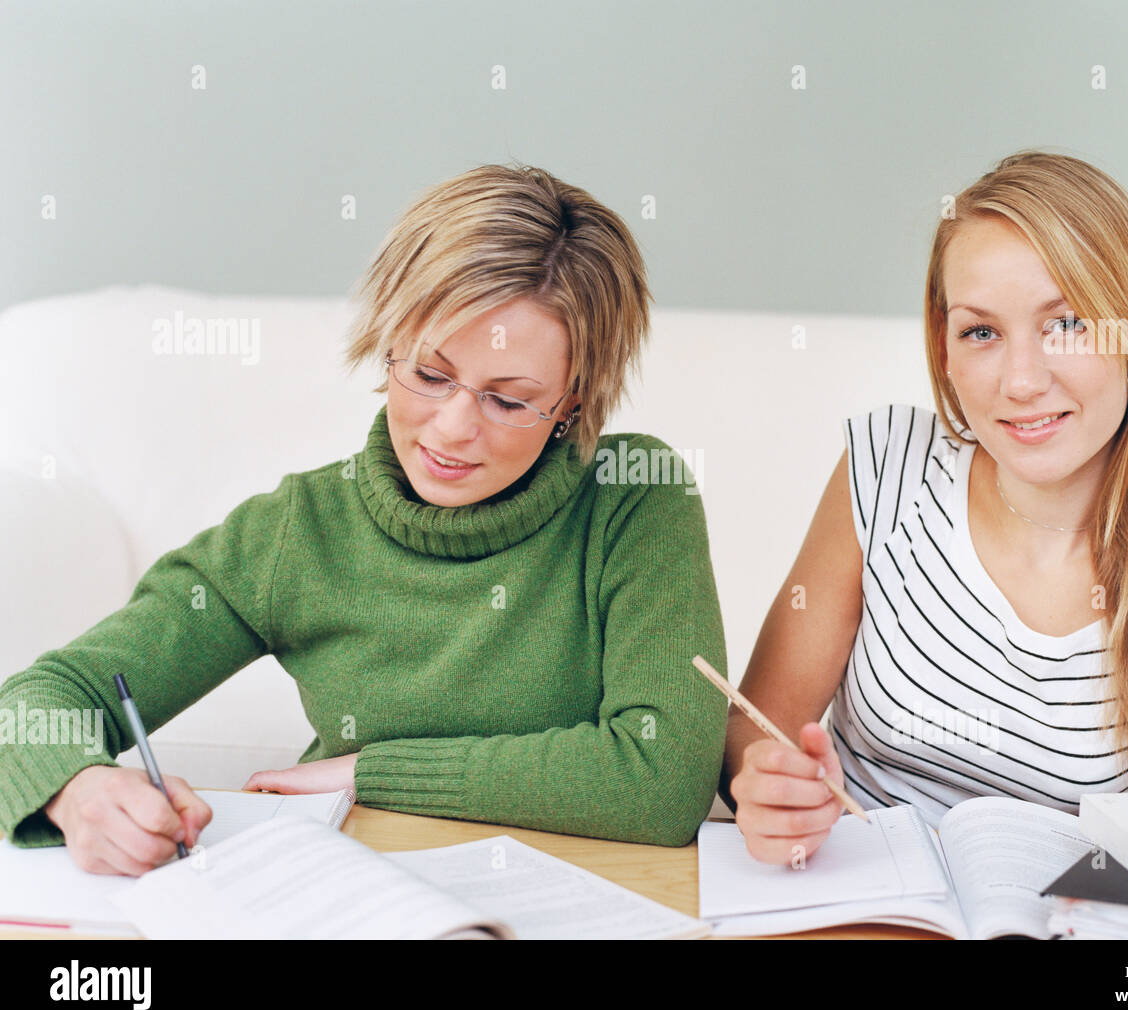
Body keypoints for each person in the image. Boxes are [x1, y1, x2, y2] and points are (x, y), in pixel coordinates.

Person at [0, 164, 728, 873]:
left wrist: (374, 772)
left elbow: (660, 780)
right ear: (388, 342)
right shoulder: (297, 533)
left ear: (573, 401)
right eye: (429, 373)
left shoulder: (634, 495)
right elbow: (36, 704)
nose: (450, 429)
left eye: (508, 401)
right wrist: (77, 788)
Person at [722, 150, 1128, 864]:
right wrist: (767, 790)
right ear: (945, 347)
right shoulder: (885, 467)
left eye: (1066, 323)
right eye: (981, 332)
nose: (1021, 381)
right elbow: (751, 738)